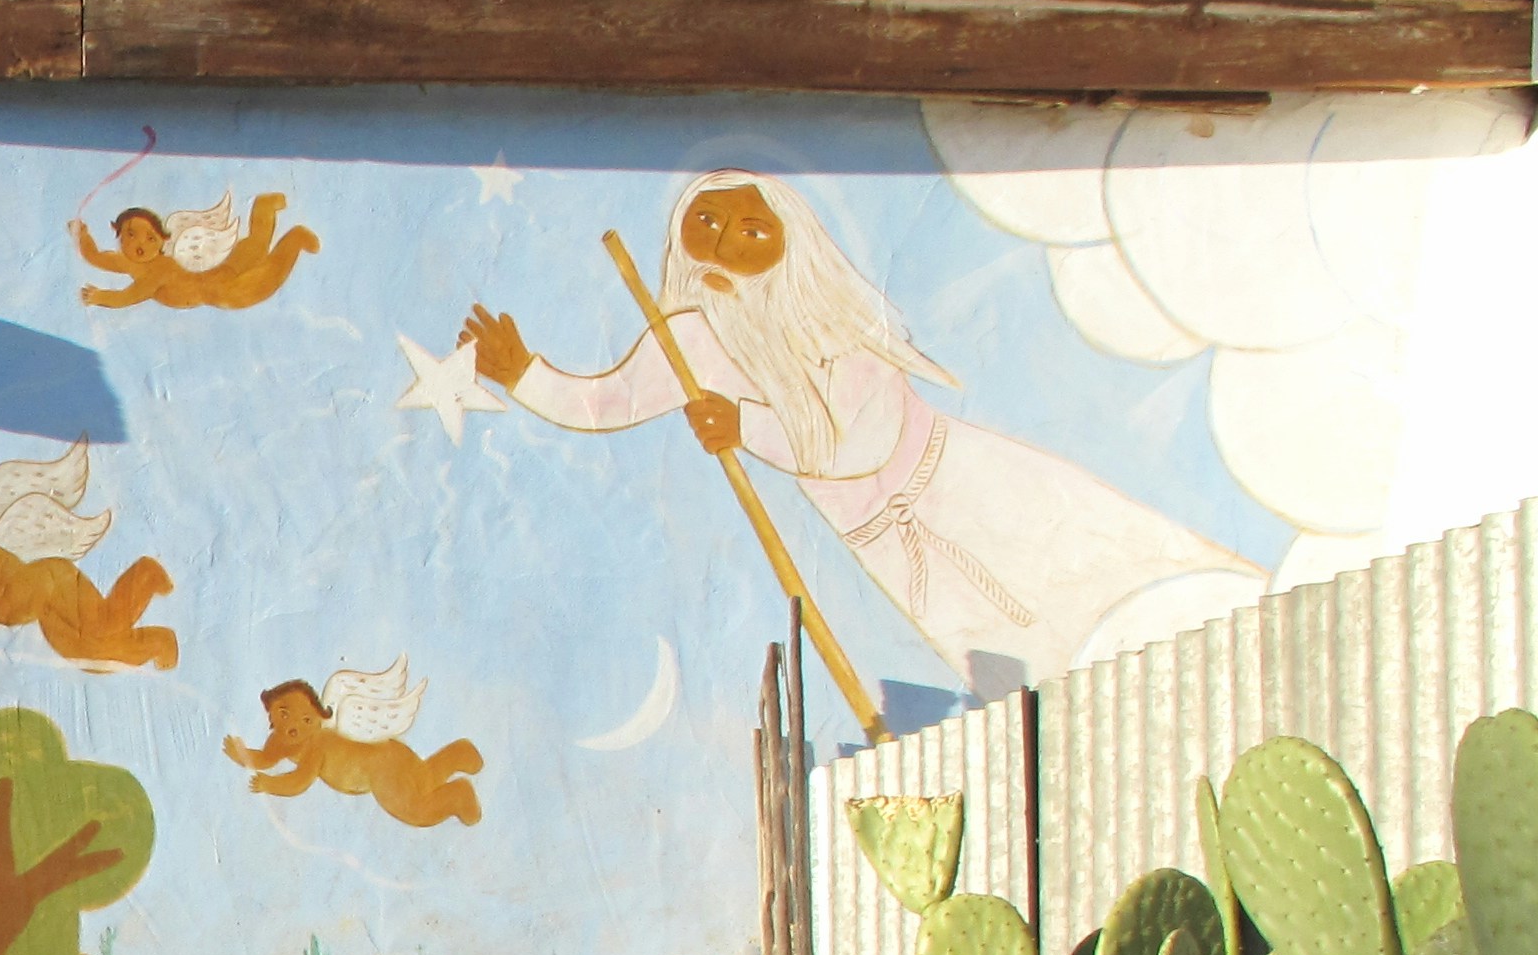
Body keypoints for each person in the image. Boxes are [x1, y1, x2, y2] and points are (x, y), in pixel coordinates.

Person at [460, 172, 1261, 693]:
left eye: (749, 228)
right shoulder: (691, 338)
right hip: (883, 540)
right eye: (706, 222)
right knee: (1007, 667)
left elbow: (862, 440)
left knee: (1091, 575)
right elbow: (610, 401)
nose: (724, 242)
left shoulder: (828, 317)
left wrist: (748, 426)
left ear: (788, 242)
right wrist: (524, 372)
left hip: (956, 479)